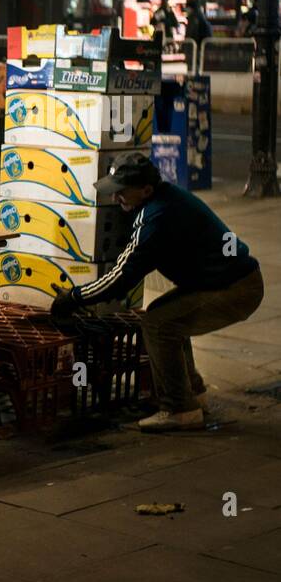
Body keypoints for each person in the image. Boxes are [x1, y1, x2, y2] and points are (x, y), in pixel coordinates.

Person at [50, 152, 264, 432]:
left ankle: (178, 408)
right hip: (227, 280)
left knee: (159, 325)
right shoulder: (163, 200)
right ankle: (192, 394)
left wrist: (74, 298)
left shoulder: (155, 219)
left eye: (121, 193)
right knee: (166, 315)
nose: (116, 199)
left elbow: (121, 277)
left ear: (146, 190)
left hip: (236, 288)